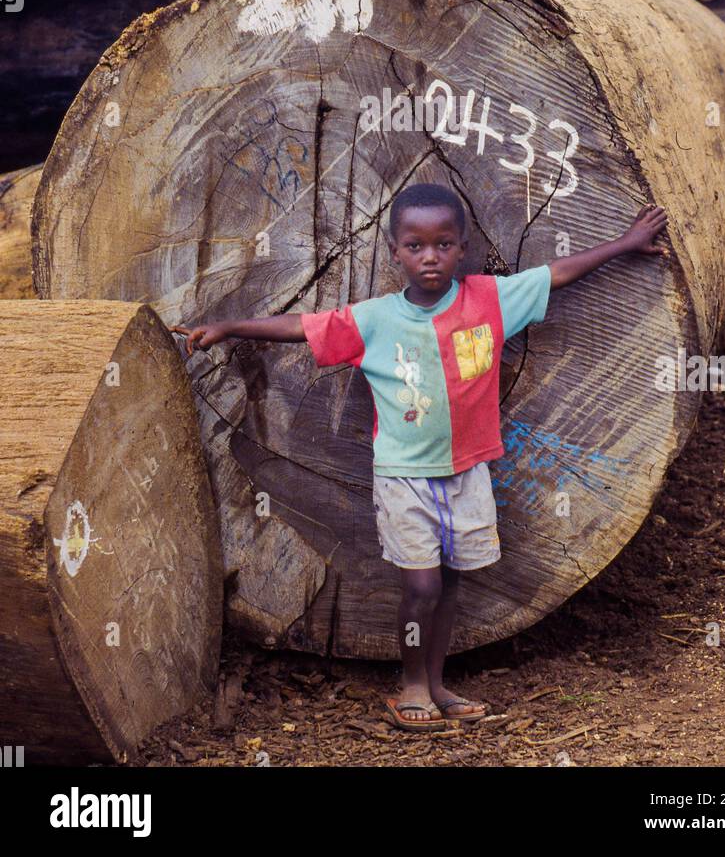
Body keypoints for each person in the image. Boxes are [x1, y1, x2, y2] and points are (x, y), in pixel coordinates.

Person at [172, 182, 667, 732]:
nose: (430, 257)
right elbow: (300, 327)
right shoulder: (378, 319)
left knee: (450, 582)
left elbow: (558, 273)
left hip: (468, 473)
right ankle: (409, 682)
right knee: (421, 585)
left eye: (443, 244)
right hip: (405, 479)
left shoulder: (490, 299)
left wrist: (625, 243)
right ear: (395, 251)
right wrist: (227, 327)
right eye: (415, 246)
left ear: (462, 249)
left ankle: (435, 683)